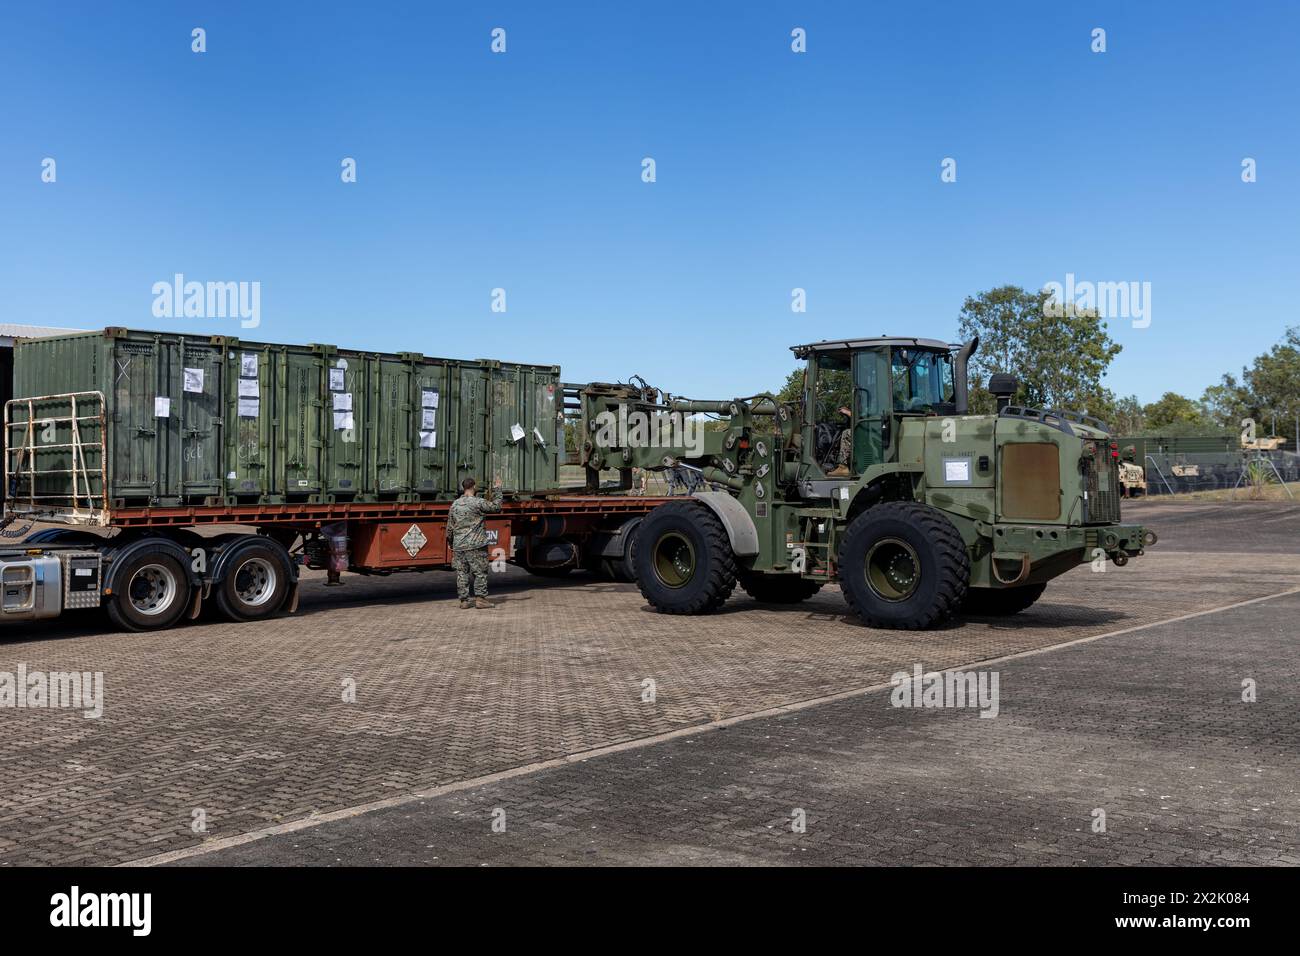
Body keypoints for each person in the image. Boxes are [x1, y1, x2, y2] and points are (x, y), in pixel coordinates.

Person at [446, 475, 503, 609]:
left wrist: (451, 541)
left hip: (459, 545)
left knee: (462, 573)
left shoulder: (454, 505)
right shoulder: (478, 502)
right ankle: (480, 599)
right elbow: (496, 507)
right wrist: (498, 489)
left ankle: (464, 601)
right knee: (480, 572)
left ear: (463, 488)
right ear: (474, 487)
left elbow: (450, 526)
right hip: (476, 545)